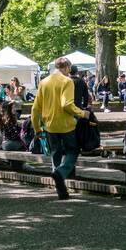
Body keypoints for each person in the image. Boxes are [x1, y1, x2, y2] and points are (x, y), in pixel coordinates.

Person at [34, 57, 93, 199]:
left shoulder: (44, 82)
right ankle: (60, 173)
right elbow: (66, 104)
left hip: (49, 126)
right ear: (67, 67)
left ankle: (61, 191)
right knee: (73, 151)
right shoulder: (67, 81)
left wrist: (37, 128)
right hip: (66, 125)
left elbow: (36, 108)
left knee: (56, 153)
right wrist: (83, 113)